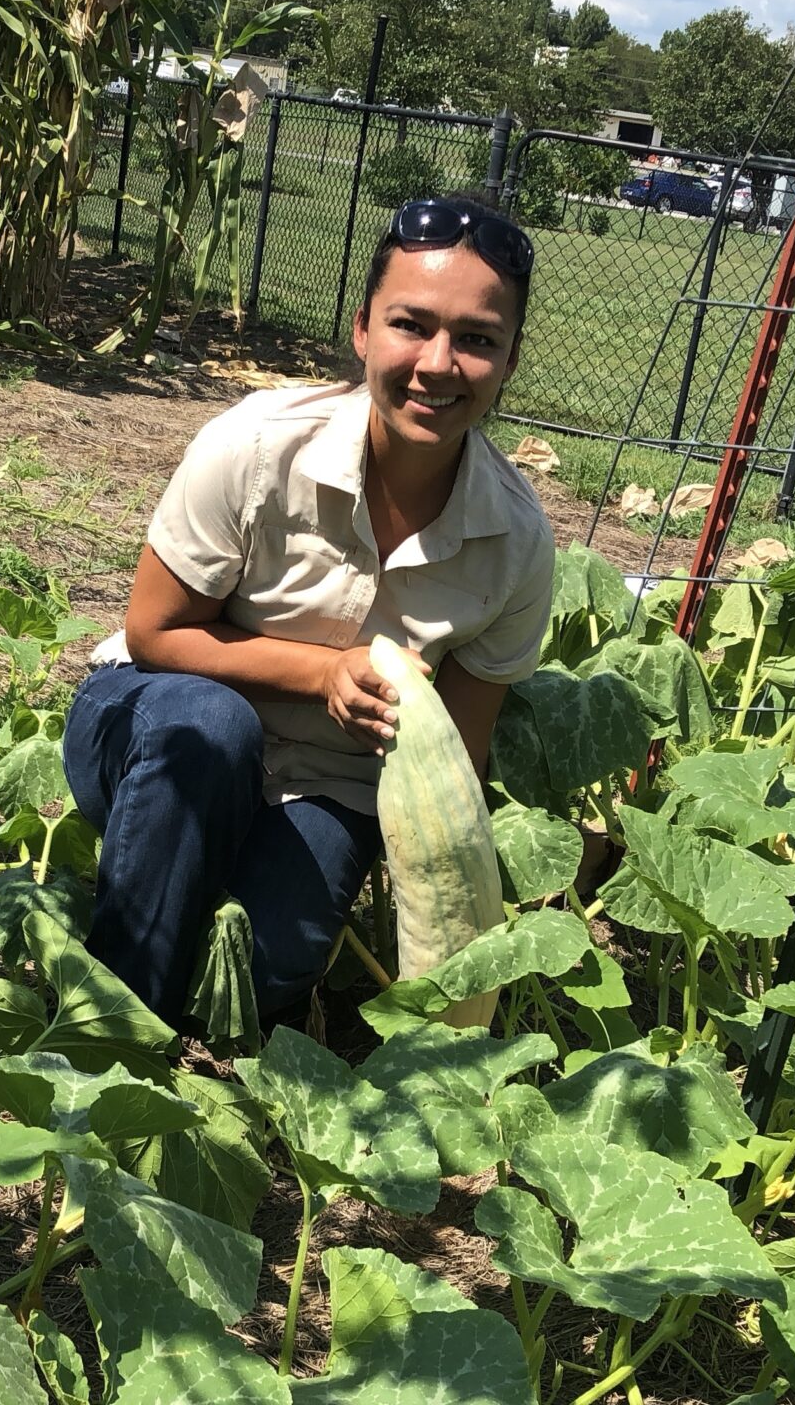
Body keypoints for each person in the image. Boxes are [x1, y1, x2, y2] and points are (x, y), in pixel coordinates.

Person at [62, 197, 556, 1027]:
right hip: (159, 720)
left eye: (477, 340)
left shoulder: (517, 542)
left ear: (508, 362)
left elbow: (457, 765)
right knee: (214, 732)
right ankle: (108, 1027)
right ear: (363, 330)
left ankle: (181, 918)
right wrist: (325, 672)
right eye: (411, 324)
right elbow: (154, 631)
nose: (438, 363)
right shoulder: (255, 446)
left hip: (334, 785)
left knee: (257, 975)